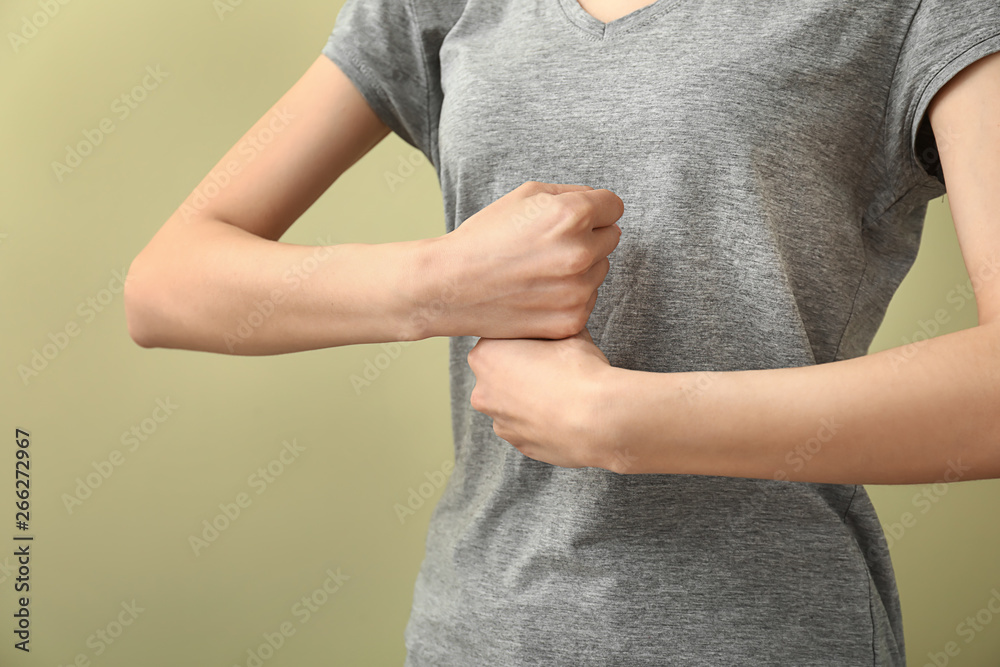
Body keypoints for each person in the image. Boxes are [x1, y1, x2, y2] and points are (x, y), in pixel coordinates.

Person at [124, 0, 1000, 664]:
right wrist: (438, 282)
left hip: (762, 635)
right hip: (476, 633)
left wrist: (619, 420)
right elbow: (166, 285)